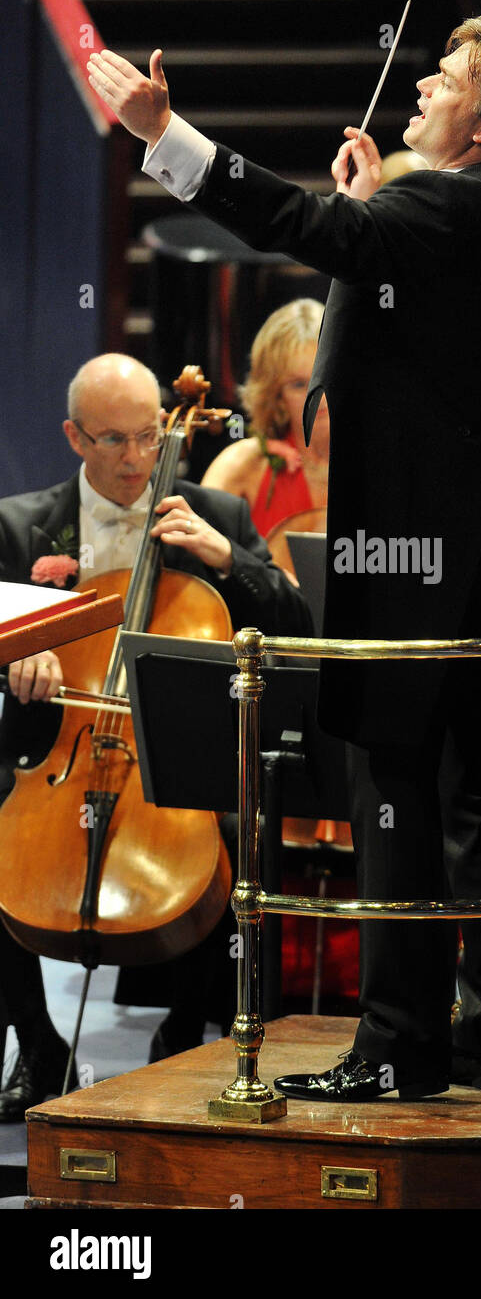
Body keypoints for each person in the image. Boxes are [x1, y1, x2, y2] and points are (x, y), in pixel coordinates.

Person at [88, 13, 481, 1102]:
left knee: (391, 790)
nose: (418, 90)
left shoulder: (434, 208)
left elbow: (295, 222)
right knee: (479, 797)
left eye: (442, 81)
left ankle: (397, 1047)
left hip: (406, 559)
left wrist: (167, 137)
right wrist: (370, 216)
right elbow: (405, 296)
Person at [0, 354, 312, 1122]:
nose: (137, 459)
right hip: (53, 745)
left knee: (237, 826)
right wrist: (16, 648)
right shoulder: (18, 524)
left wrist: (227, 560)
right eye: (112, 440)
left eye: (148, 436)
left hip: (172, 744)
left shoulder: (216, 514)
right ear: (75, 437)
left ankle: (186, 1031)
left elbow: (296, 625)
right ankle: (39, 1043)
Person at [202, 298, 328, 536]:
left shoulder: (374, 461)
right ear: (277, 396)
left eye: (324, 379)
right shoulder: (244, 464)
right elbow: (196, 558)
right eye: (299, 384)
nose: (317, 397)